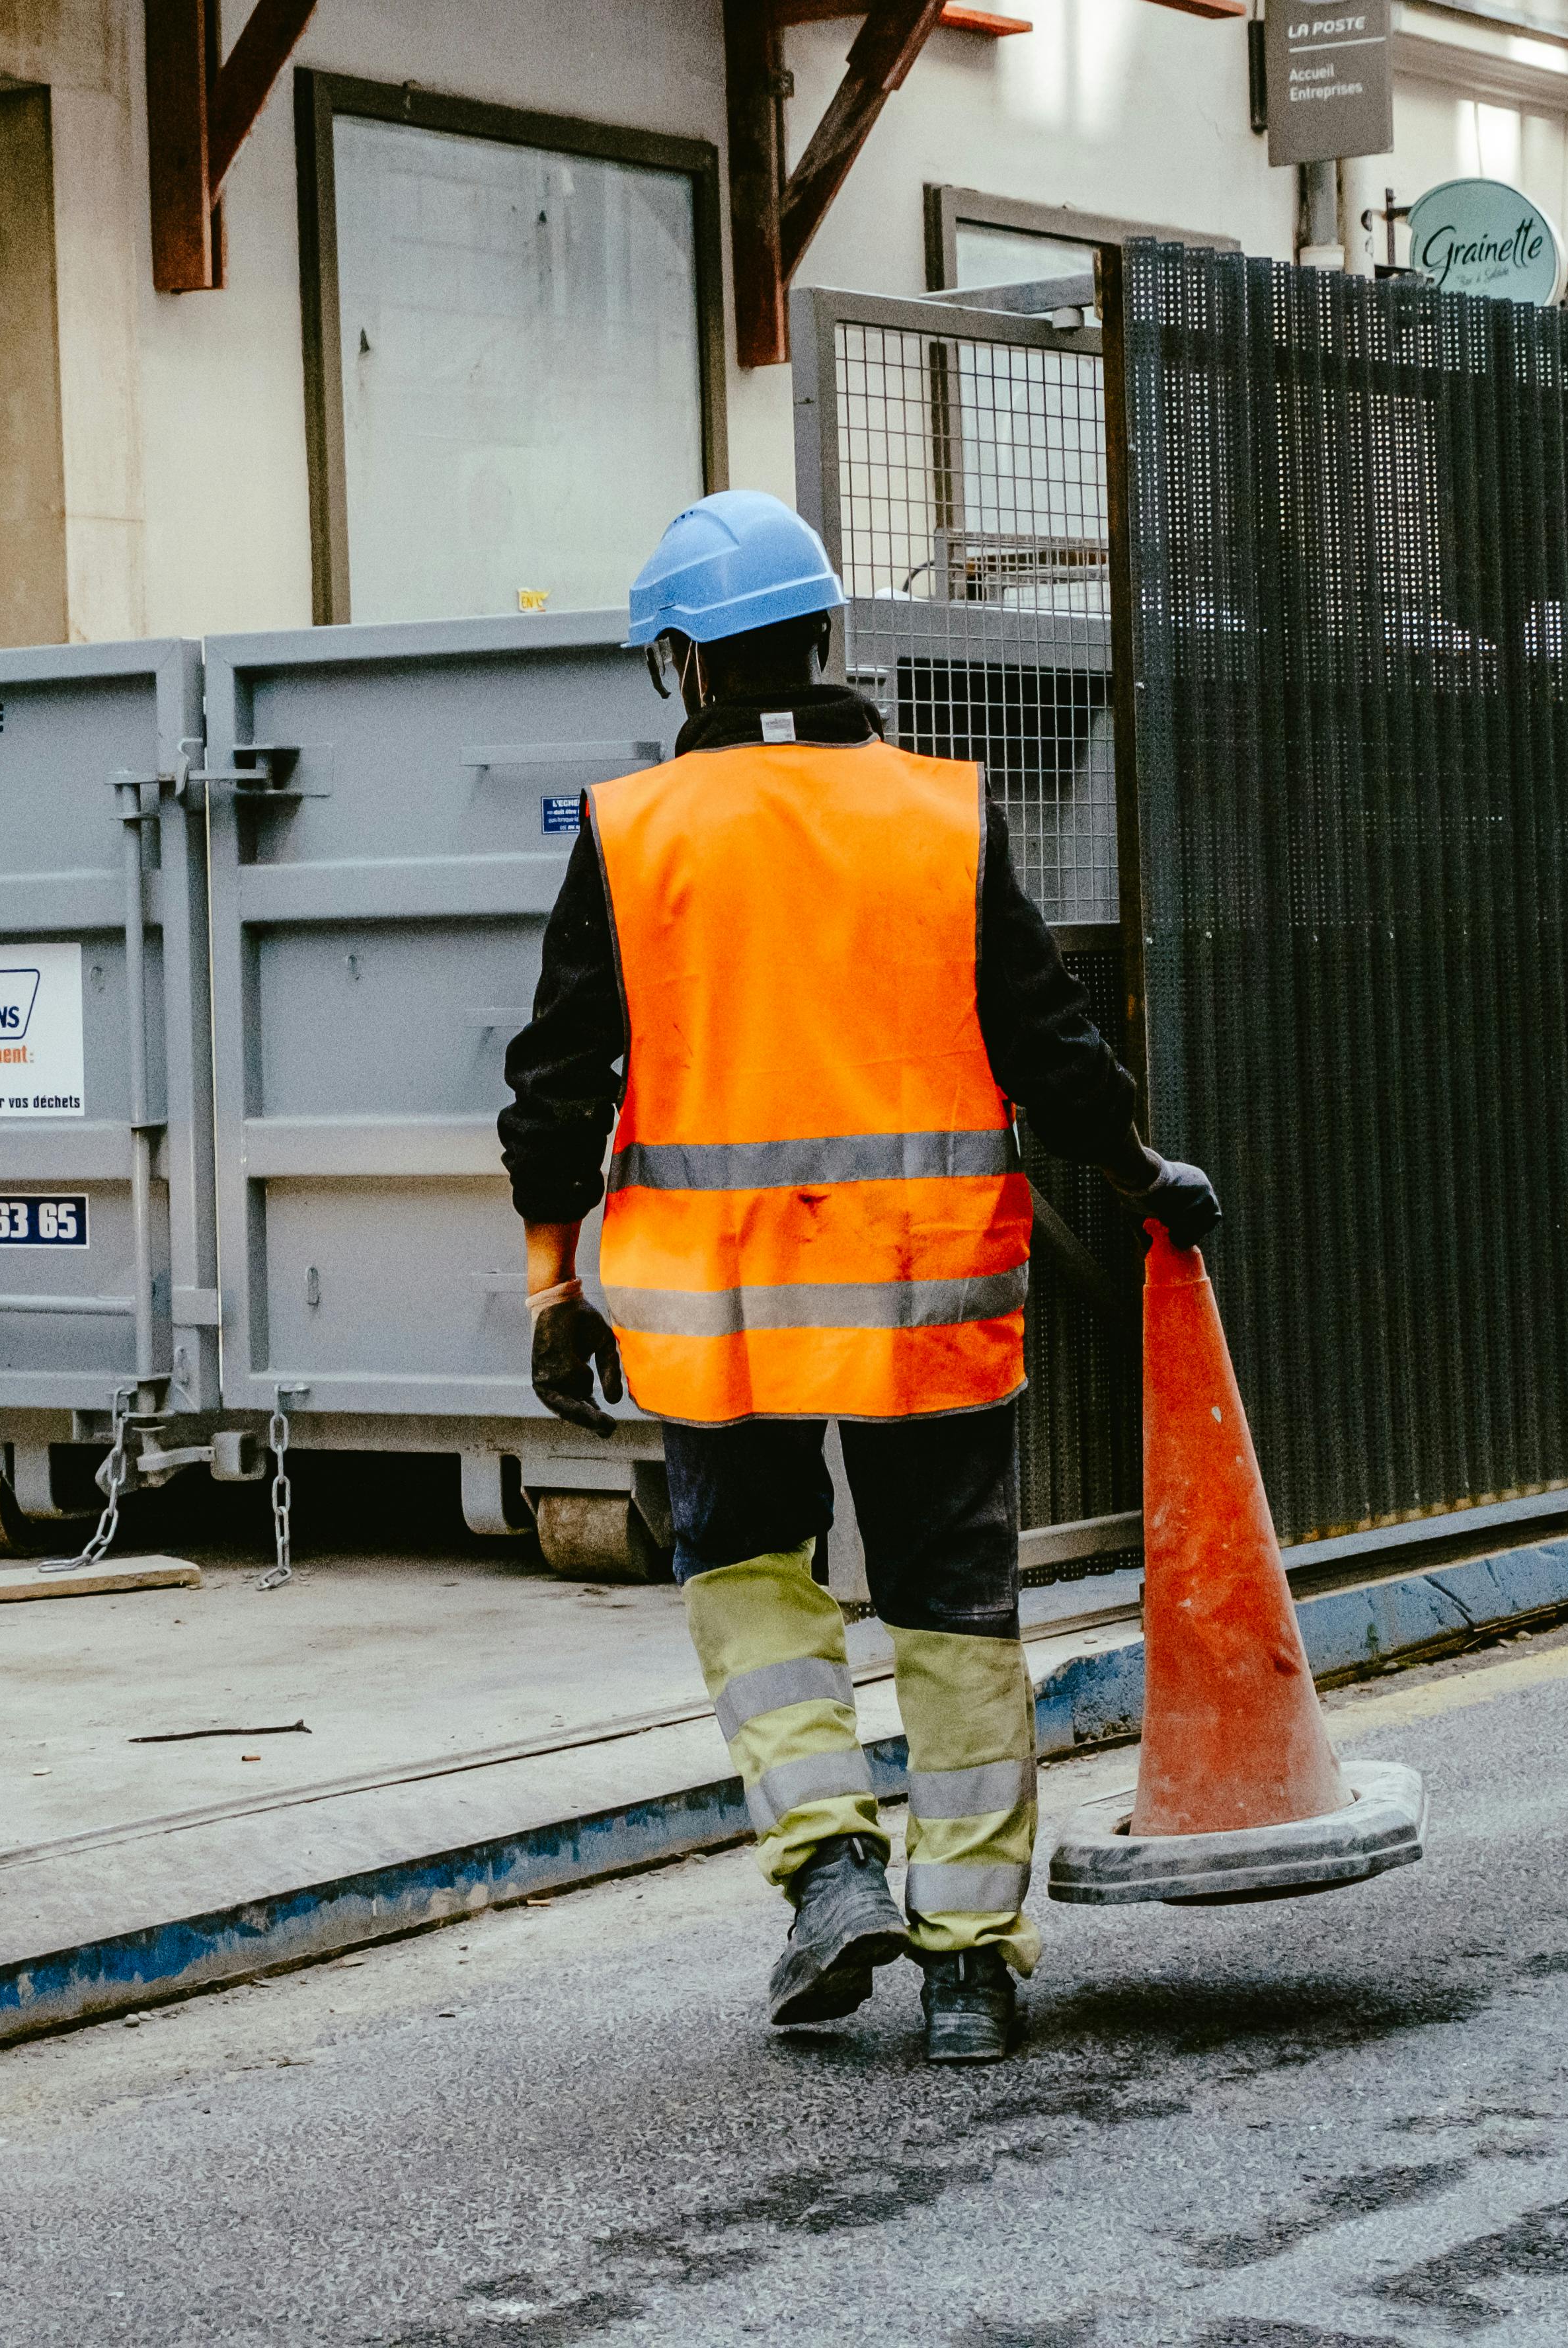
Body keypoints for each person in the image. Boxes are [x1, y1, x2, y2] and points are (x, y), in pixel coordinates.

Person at [497, 491, 1222, 2066]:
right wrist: (1139, 1172)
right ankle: (968, 1963)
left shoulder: (637, 835)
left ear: (679, 667)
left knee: (751, 1576)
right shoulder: (937, 815)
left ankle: (829, 1871)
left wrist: (555, 1286)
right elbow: (1050, 1042)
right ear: (828, 638)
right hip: (924, 1304)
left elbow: (555, 1081)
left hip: (722, 1320)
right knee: (955, 1607)